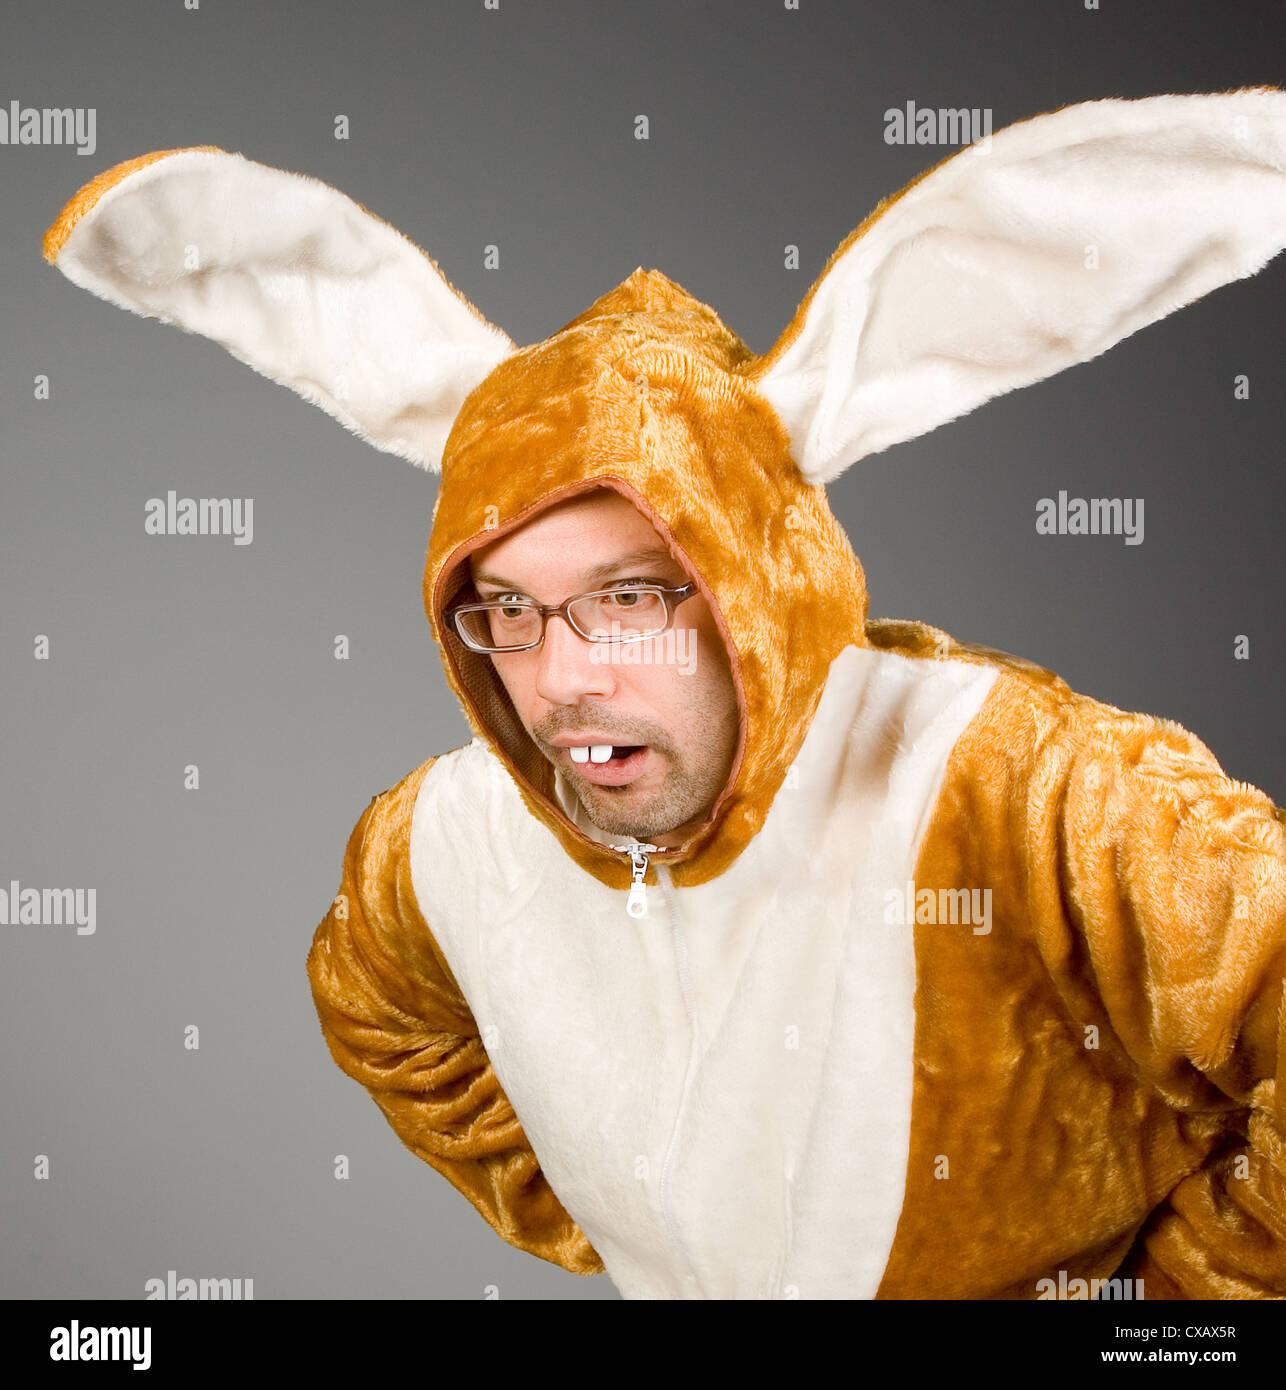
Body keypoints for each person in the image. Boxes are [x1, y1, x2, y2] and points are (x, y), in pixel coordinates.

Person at [42, 89, 1286, 1299]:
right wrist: (642, 1230)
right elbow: (381, 1014)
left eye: (631, 596)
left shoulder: (1028, 791)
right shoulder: (441, 846)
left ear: (754, 587)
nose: (563, 677)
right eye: (512, 611)